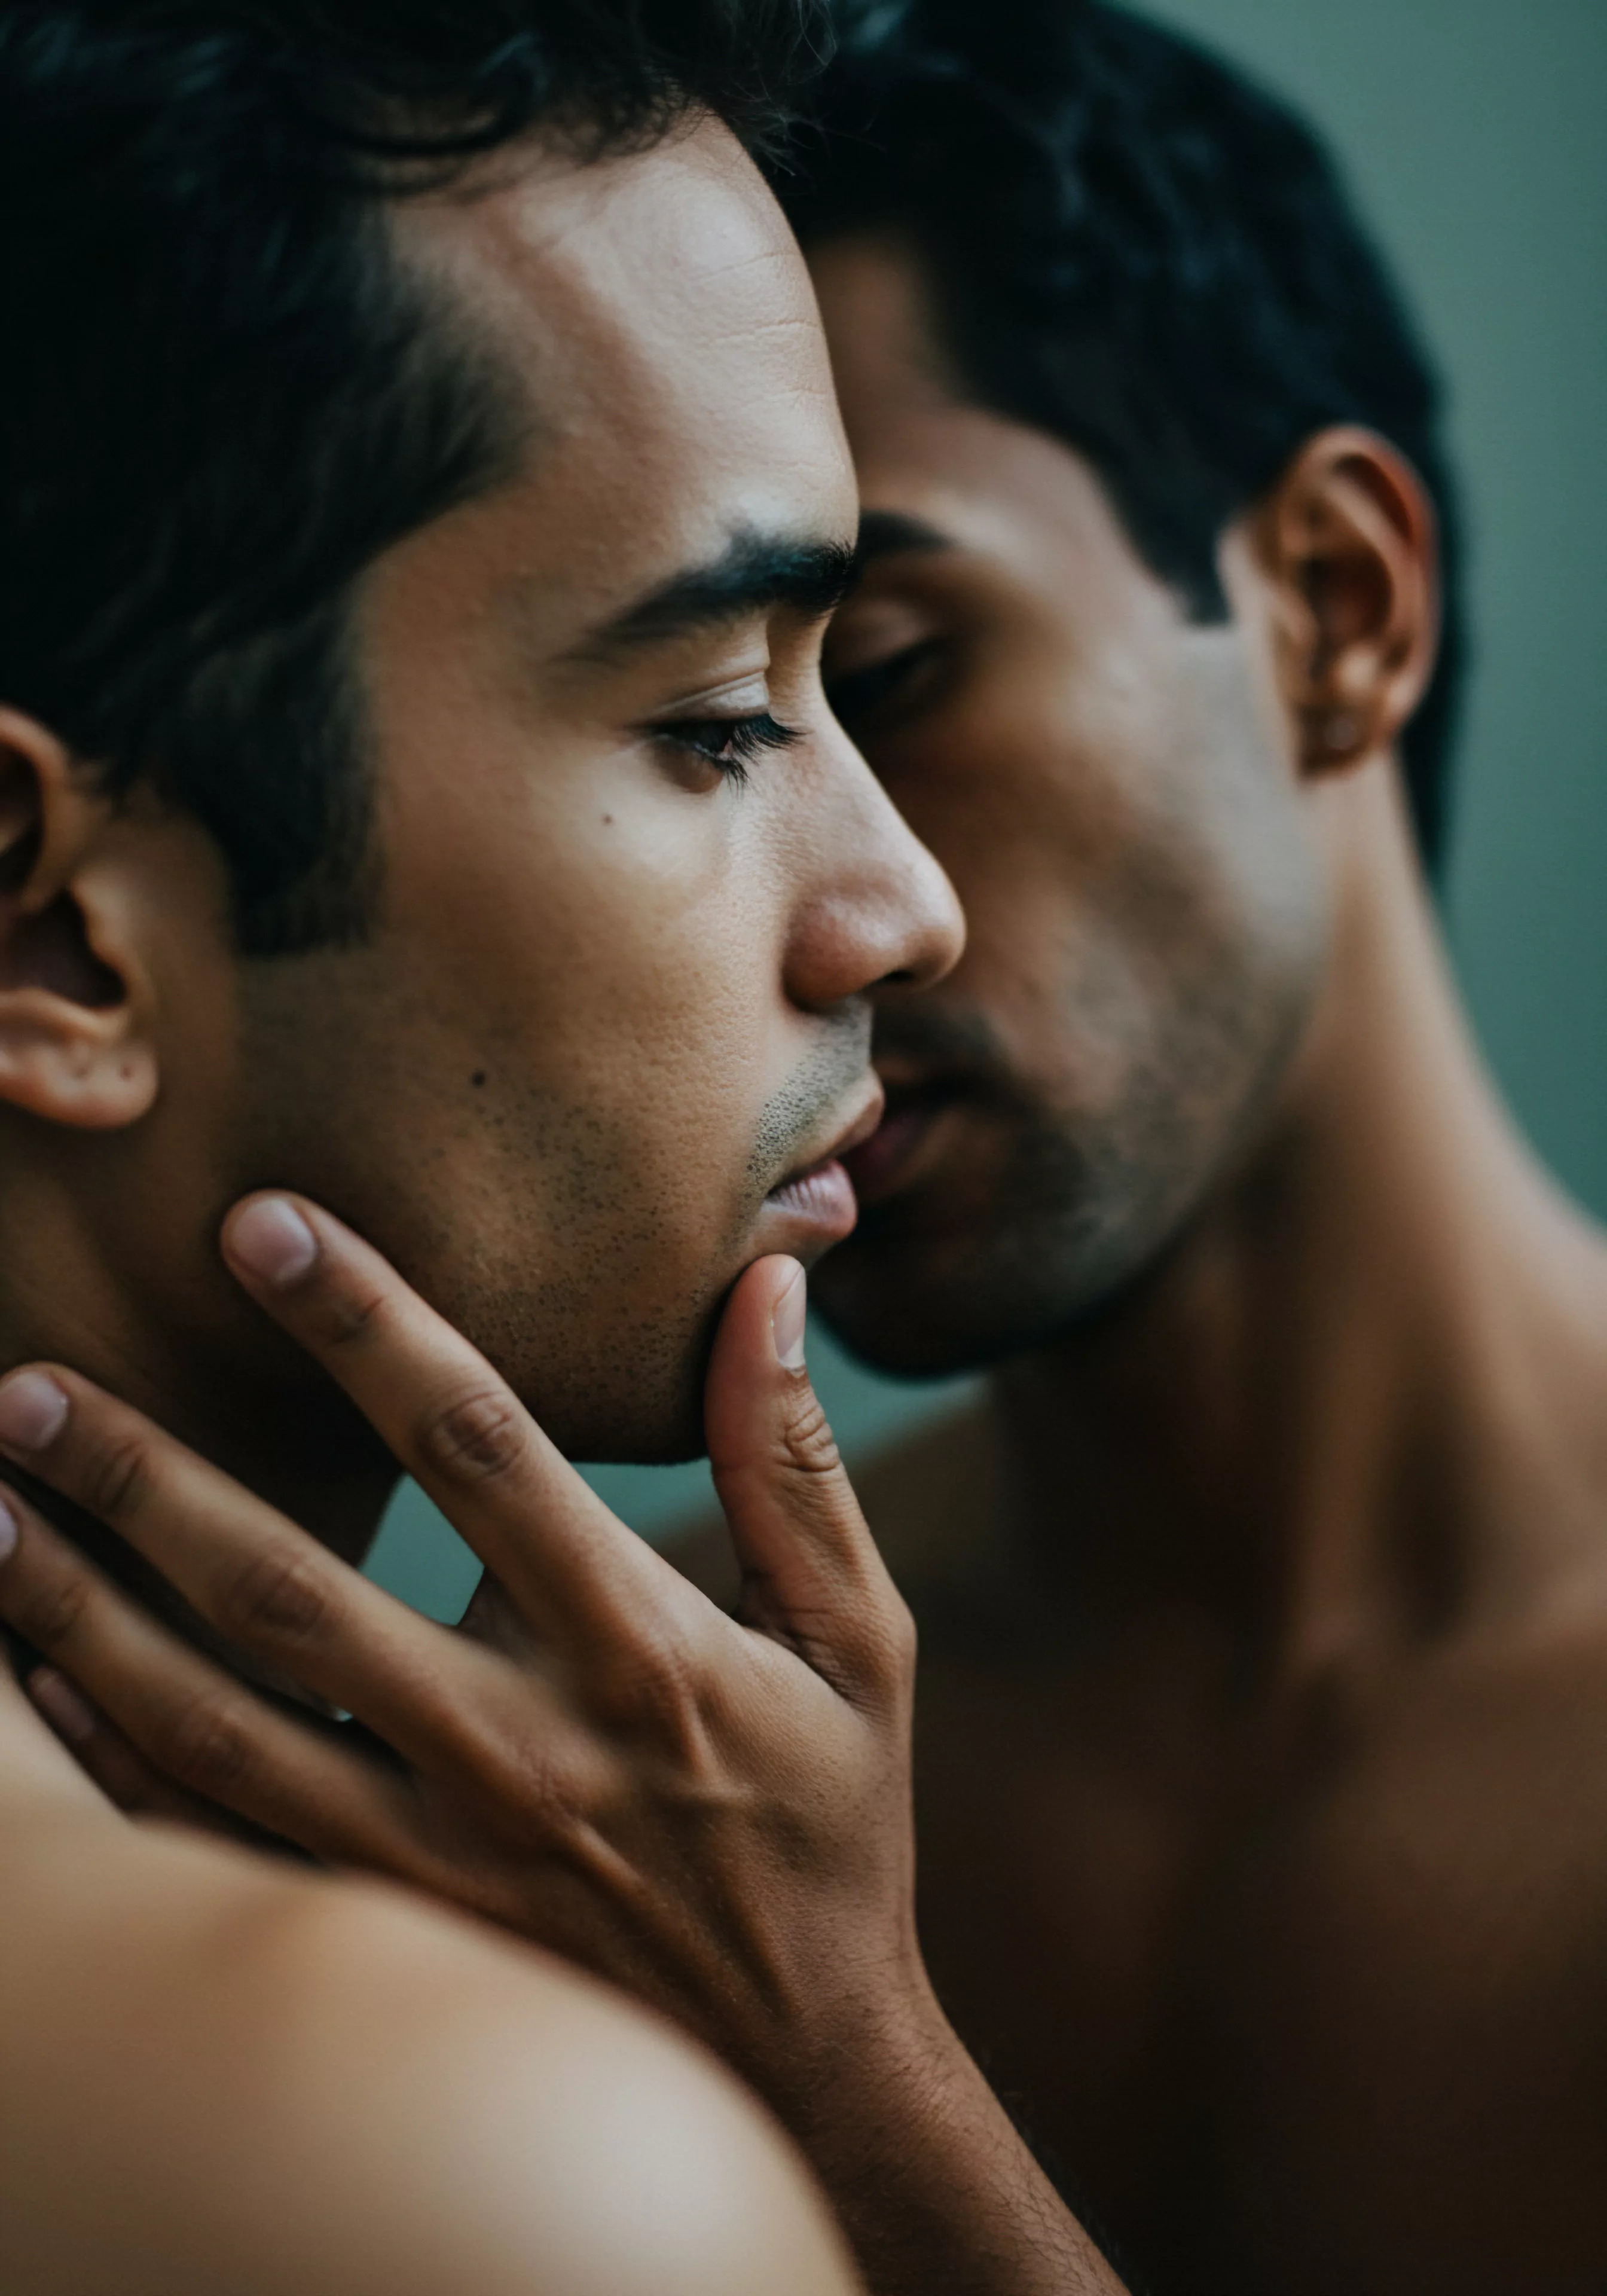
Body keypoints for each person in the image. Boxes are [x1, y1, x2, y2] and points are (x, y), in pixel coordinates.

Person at [0, 5, 1131, 2293]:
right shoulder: (475, 2183)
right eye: (719, 724)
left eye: (856, 679)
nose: (908, 904)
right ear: (56, 932)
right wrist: (855, 2085)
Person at [758, 3, 1606, 2290]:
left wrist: (850, 2071)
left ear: (1338, 606)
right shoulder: (671, 1746)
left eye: (899, 665)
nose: (813, 903)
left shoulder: (738, 1882)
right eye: (691, 737)